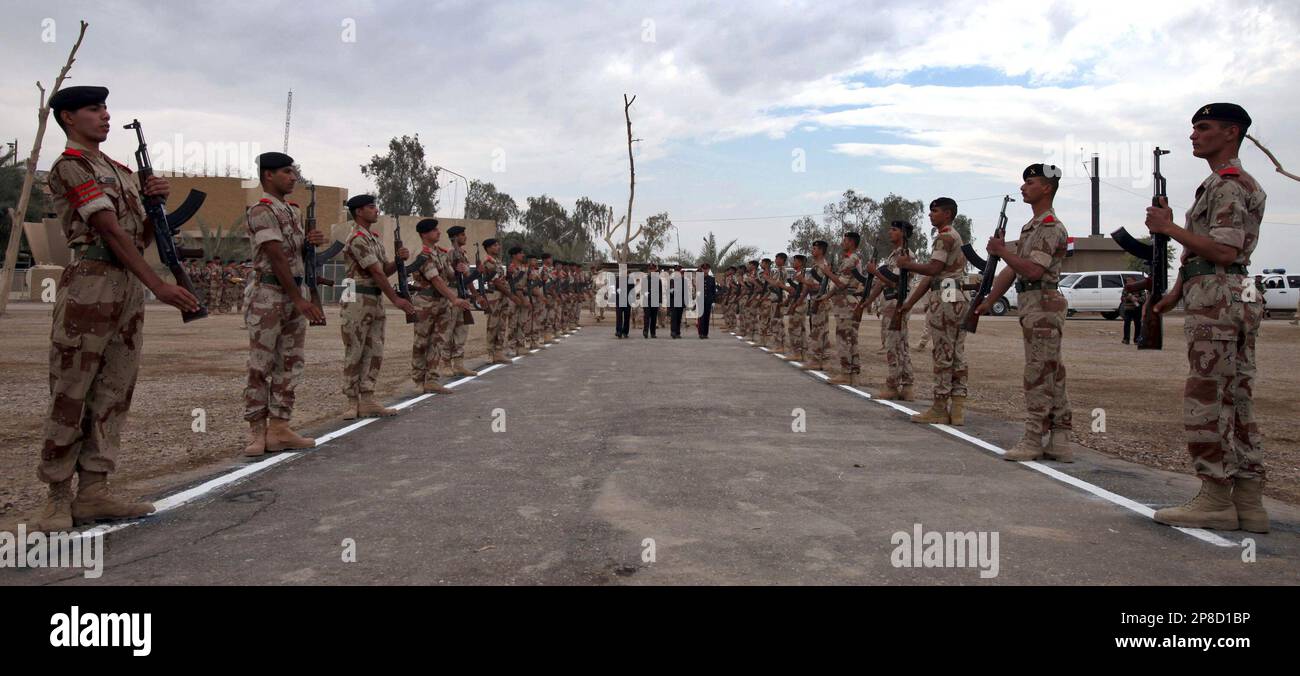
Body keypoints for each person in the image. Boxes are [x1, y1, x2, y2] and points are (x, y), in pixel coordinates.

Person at [29, 85, 200, 530]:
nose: (104, 116)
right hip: (91, 283)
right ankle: (55, 496)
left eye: (106, 108)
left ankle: (94, 491)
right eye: (92, 109)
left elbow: (136, 236)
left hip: (123, 285)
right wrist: (157, 284)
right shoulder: (70, 167)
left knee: (114, 388)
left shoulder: (121, 171)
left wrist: (153, 207)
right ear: (68, 118)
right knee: (72, 389)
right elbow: (107, 230)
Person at [1146, 103, 1268, 532]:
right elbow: (1205, 254)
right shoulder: (1222, 183)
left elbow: (1224, 251)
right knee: (1236, 396)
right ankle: (1249, 504)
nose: (1194, 135)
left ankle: (1215, 498)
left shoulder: (1229, 185)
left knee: (1206, 396)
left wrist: (1168, 228)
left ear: (1231, 132)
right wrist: (1173, 294)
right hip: (1226, 292)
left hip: (1220, 296)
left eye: (1204, 127)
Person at [974, 164, 1072, 462]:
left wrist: (1003, 251)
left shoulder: (1051, 226)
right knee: (1051, 371)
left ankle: (1033, 439)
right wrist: (989, 300)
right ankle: (1059, 440)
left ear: (1046, 188)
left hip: (1043, 303)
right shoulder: (1031, 227)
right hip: (1033, 303)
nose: (1023, 187)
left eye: (1029, 183)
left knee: (1038, 373)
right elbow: (1012, 270)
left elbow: (1032, 269)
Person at [241, 151, 327, 457]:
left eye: (293, 172)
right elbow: (275, 255)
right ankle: (256, 430)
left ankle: (279, 428)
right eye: (287, 172)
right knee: (260, 364)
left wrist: (309, 242)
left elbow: (294, 254)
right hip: (269, 294)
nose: (293, 177)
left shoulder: (291, 211)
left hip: (292, 293)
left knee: (290, 361)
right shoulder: (261, 210)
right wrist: (297, 298)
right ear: (268, 175)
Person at [339, 194, 415, 418]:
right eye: (371, 207)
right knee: (355, 349)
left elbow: (384, 269)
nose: (376, 210)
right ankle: (352, 402)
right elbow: (376, 272)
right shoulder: (357, 239)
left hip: (373, 298)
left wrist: (398, 261)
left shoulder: (374, 238)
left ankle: (367, 397)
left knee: (374, 350)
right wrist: (397, 300)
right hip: (356, 298)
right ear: (359, 212)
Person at [900, 198, 971, 420]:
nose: (930, 214)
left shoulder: (944, 237)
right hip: (956, 294)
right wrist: (911, 302)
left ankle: (940, 407)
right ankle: (957, 407)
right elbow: (932, 275)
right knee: (956, 352)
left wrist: (907, 265)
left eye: (935, 211)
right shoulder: (953, 235)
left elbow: (933, 268)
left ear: (948, 214)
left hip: (946, 296)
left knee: (943, 352)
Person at [409, 219, 472, 395]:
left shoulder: (440, 253)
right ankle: (418, 380)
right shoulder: (423, 253)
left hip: (441, 303)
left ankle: (432, 379)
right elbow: (435, 279)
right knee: (422, 342)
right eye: (434, 230)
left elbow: (449, 276)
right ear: (424, 234)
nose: (438, 232)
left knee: (438, 342)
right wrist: (454, 298)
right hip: (426, 303)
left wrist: (459, 270)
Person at [865, 221, 916, 401]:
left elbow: (895, 282)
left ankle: (893, 386)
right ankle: (907, 386)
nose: (890, 232)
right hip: (890, 304)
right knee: (900, 346)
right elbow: (881, 283)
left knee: (894, 346)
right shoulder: (893, 256)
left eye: (894, 229)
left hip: (897, 304)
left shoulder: (906, 255)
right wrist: (868, 301)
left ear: (903, 233)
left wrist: (875, 271)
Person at [821, 232, 865, 385]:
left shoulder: (851, 259)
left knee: (844, 337)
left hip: (846, 302)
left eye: (845, 240)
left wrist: (828, 273)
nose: (842, 242)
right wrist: (826, 296)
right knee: (850, 338)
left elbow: (841, 284)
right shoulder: (849, 259)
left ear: (851, 242)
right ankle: (853, 373)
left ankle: (846, 373)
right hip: (846, 301)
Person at [442, 226, 478, 376]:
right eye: (462, 235)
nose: (465, 237)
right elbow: (447, 275)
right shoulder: (450, 253)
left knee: (461, 329)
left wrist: (474, 293)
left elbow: (467, 277)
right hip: (452, 292)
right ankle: (445, 363)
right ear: (455, 237)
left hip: (463, 293)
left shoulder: (463, 253)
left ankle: (458, 363)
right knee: (448, 330)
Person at [802, 242, 833, 371]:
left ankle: (817, 360)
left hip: (820, 300)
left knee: (818, 331)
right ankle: (823, 360)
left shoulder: (824, 266)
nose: (812, 250)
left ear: (821, 251)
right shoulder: (815, 266)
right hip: (814, 299)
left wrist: (803, 281)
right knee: (819, 330)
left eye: (814, 248)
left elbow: (819, 286)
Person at [1120, 273, 1147, 345]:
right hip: (1128, 309)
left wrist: (1136, 299)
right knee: (1127, 323)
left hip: (1137, 308)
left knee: (1138, 324)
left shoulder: (1140, 288)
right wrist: (1128, 298)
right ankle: (1126, 339)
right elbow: (1122, 299)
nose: (1128, 282)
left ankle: (1137, 339)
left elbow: (1144, 298)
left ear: (1134, 281)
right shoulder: (1126, 289)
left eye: (1130, 280)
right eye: (1127, 281)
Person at [642, 262, 661, 337]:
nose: (651, 271)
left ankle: (653, 333)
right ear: (648, 270)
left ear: (655, 270)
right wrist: (645, 294)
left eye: (653, 269)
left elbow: (660, 291)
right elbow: (643, 289)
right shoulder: (645, 279)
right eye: (650, 269)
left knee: (653, 317)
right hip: (647, 301)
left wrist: (660, 301)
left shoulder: (658, 280)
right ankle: (645, 332)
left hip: (655, 300)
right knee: (646, 317)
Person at [698, 263, 716, 338]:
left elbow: (713, 291)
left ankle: (705, 333)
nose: (705, 270)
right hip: (701, 300)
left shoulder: (712, 279)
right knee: (701, 318)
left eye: (707, 269)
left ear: (709, 270)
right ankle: (701, 333)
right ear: (702, 269)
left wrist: (713, 301)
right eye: (704, 269)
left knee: (706, 317)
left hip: (708, 301)